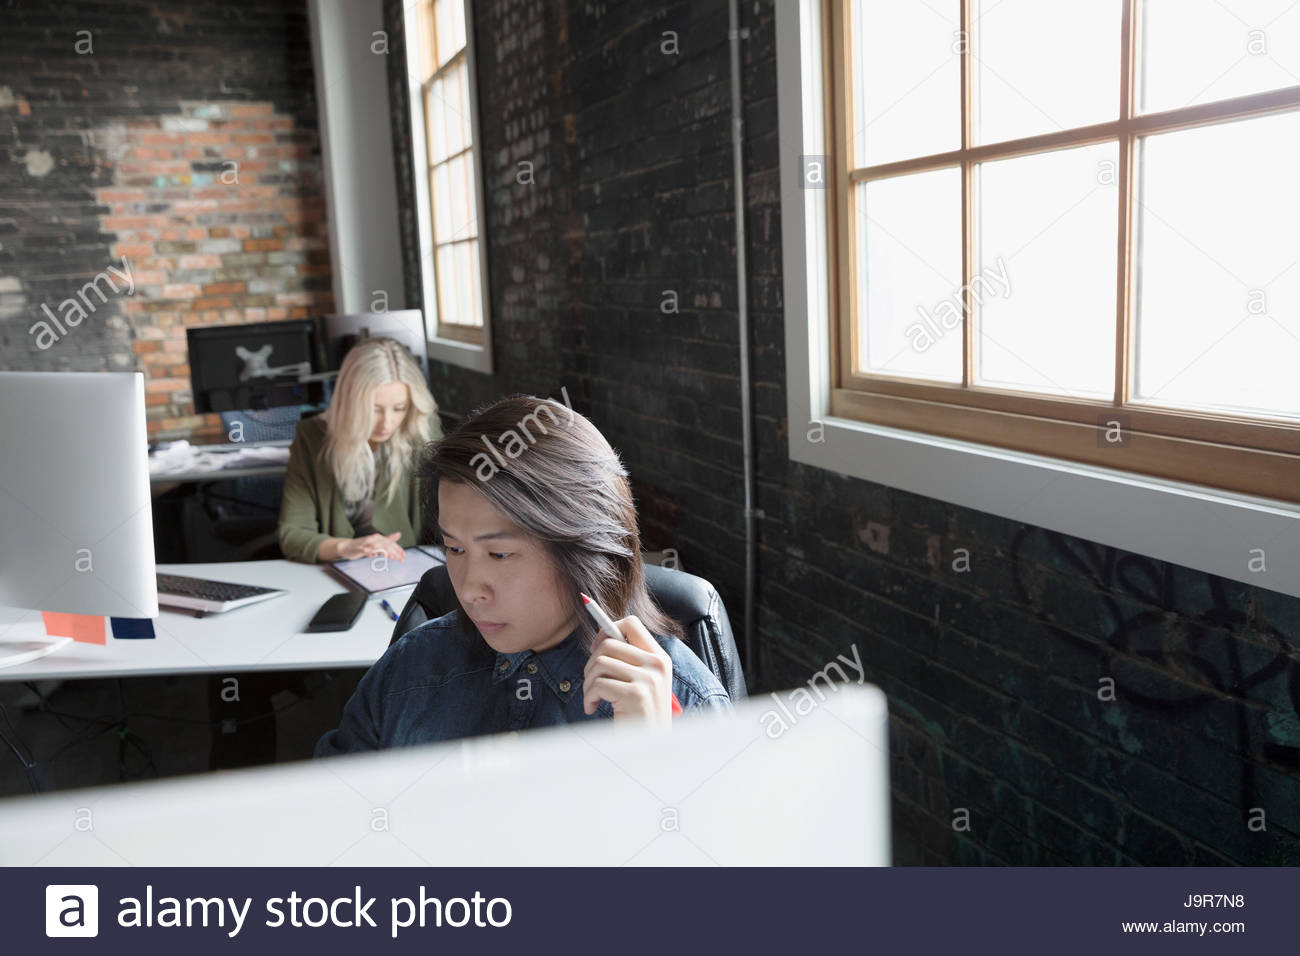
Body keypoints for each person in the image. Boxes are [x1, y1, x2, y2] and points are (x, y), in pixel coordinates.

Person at [314, 394, 731, 755]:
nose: (470, 590)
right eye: (454, 548)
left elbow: (725, 843)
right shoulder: (412, 668)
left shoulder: (682, 699)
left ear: (583, 551)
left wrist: (654, 756)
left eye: (499, 554)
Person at [277, 337, 442, 564]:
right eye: (374, 410)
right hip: (336, 571)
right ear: (349, 402)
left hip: (406, 570)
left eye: (399, 408)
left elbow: (447, 526)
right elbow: (293, 533)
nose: (387, 423)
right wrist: (346, 547)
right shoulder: (311, 438)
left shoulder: (422, 434)